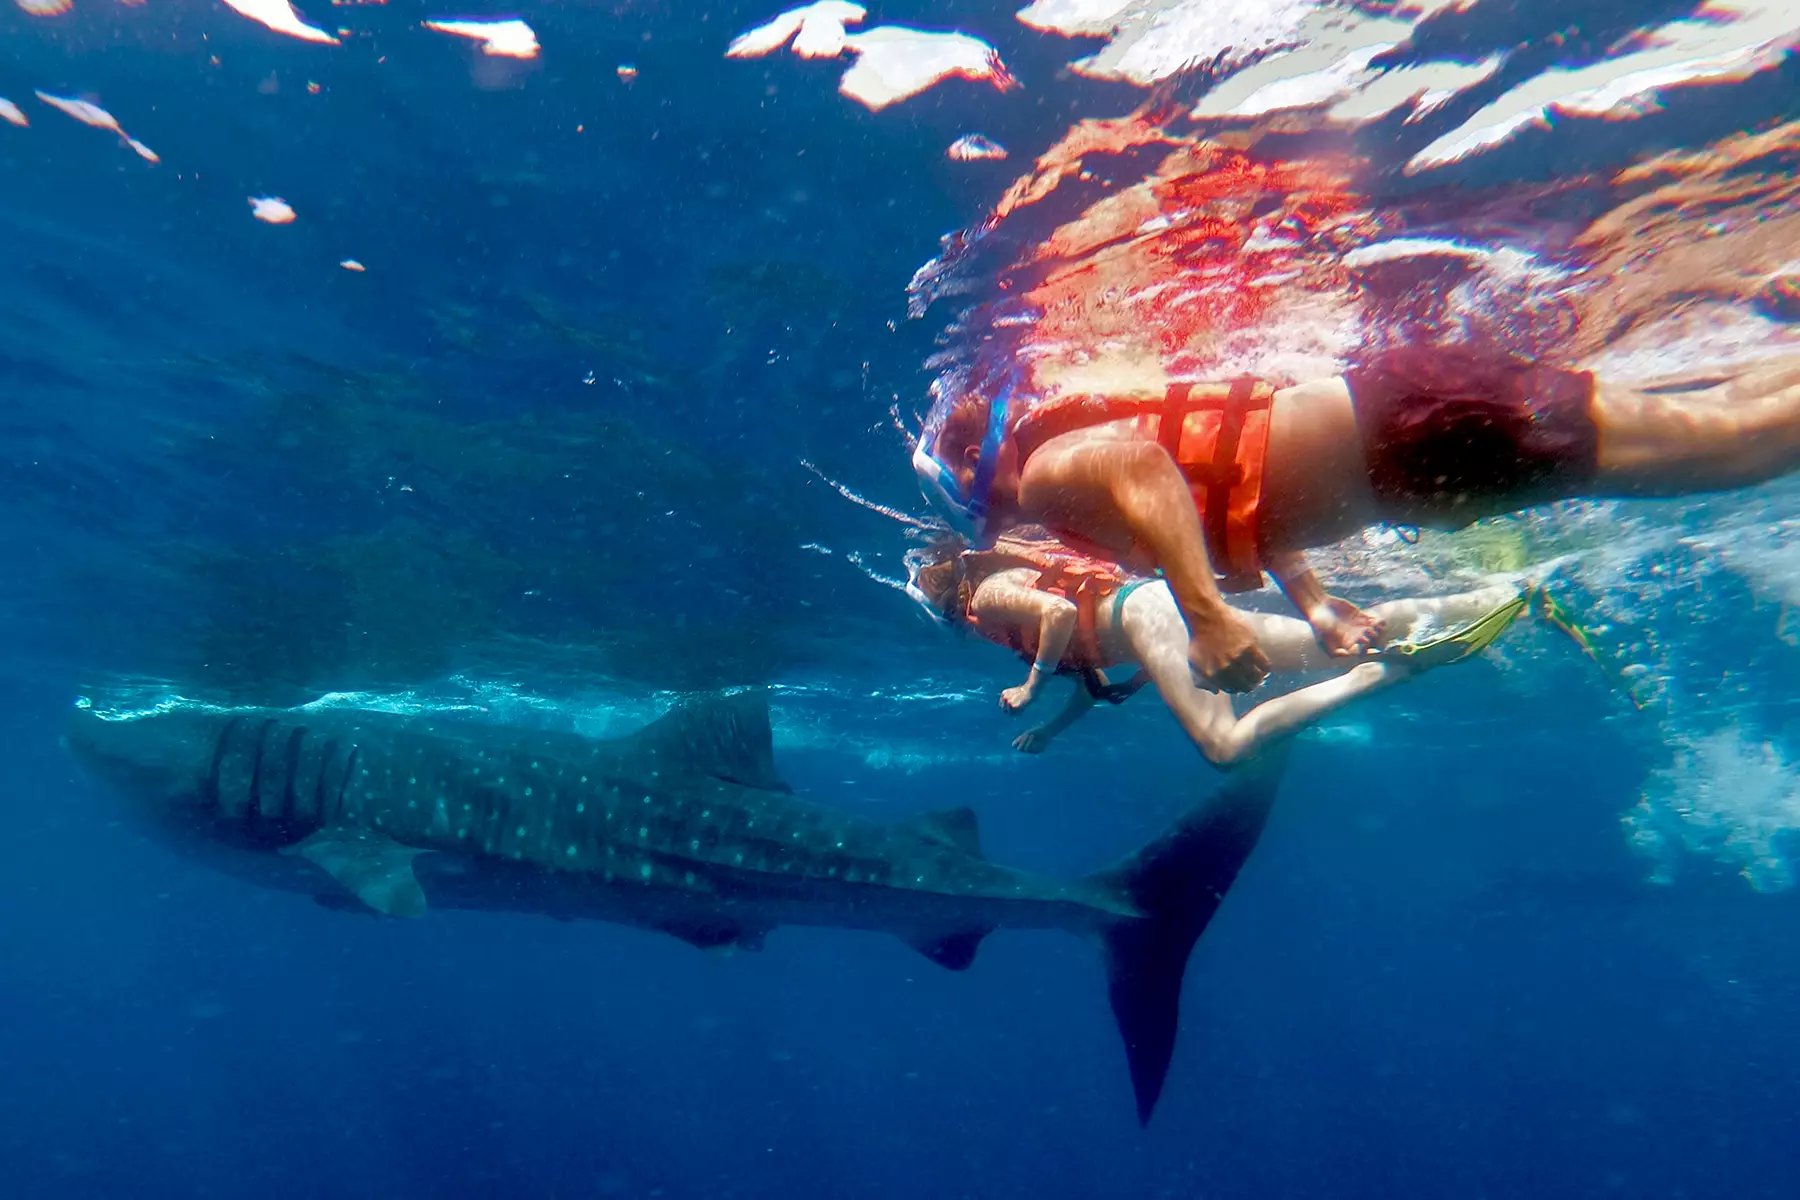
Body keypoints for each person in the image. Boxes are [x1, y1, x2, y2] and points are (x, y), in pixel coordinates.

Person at [913, 350, 1800, 696]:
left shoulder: (1044, 478)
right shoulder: (1063, 474)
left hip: (1409, 445)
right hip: (1405, 432)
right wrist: (1319, 602)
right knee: (1716, 423)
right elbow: (1240, 494)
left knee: (1729, 452)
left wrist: (1214, 616)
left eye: (951, 489)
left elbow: (1144, 470)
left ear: (967, 464)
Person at [905, 532, 1529, 768]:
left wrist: (1029, 687)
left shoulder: (984, 599)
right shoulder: (1000, 592)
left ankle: (1384, 674)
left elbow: (1062, 613)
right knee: (1327, 647)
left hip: (1150, 617)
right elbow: (1089, 674)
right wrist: (1051, 729)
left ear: (939, 590)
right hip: (1158, 609)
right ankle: (1496, 596)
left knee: (1226, 748)